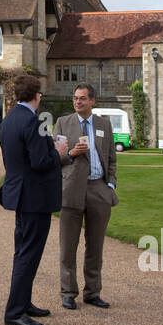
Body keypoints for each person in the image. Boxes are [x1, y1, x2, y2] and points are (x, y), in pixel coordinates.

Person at [0, 74, 66, 325]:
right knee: (28, 253)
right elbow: (40, 163)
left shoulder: (9, 120)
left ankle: (23, 303)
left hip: (21, 194)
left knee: (23, 251)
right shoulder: (33, 121)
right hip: (35, 197)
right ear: (37, 96)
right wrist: (58, 153)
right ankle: (14, 312)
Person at [55, 84, 117, 310]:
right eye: (75, 98)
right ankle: (68, 292)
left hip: (98, 189)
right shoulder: (63, 123)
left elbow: (111, 158)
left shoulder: (103, 125)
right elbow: (56, 157)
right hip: (71, 189)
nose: (78, 102)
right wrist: (71, 153)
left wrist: (110, 184)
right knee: (68, 246)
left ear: (93, 101)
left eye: (82, 98)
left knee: (95, 246)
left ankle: (92, 292)